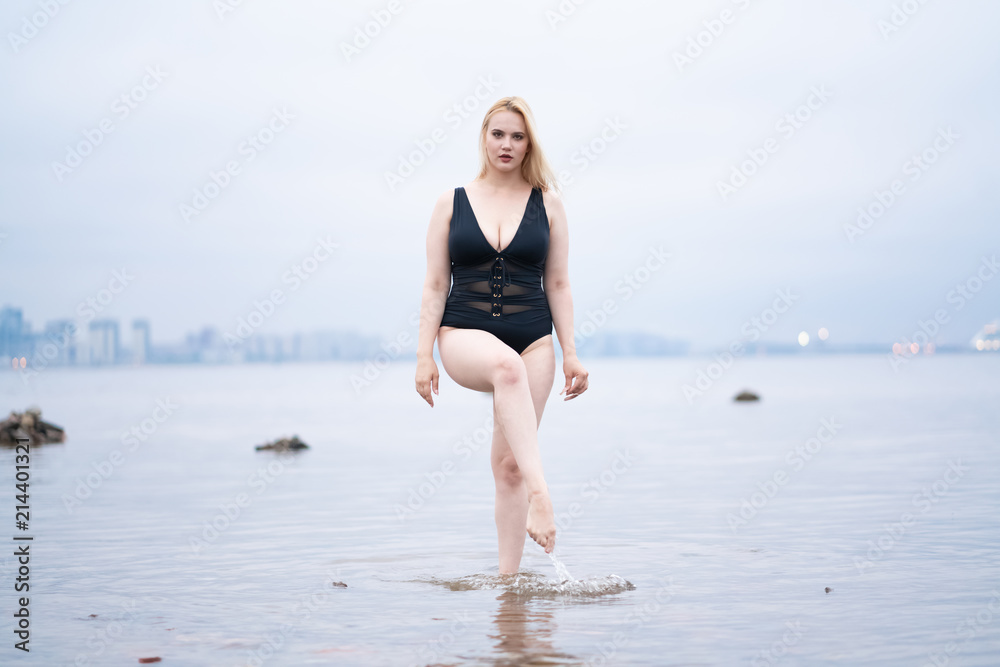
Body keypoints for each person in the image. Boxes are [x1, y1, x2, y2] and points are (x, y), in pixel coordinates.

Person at [414, 96, 589, 574]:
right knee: (505, 368)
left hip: (534, 340)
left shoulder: (548, 204)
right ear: (484, 138)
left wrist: (569, 353)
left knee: (510, 464)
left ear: (528, 142)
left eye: (517, 136)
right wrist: (423, 355)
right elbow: (434, 283)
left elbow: (558, 282)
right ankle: (543, 495)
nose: (507, 144)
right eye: (498, 134)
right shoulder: (451, 202)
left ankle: (508, 590)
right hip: (463, 334)